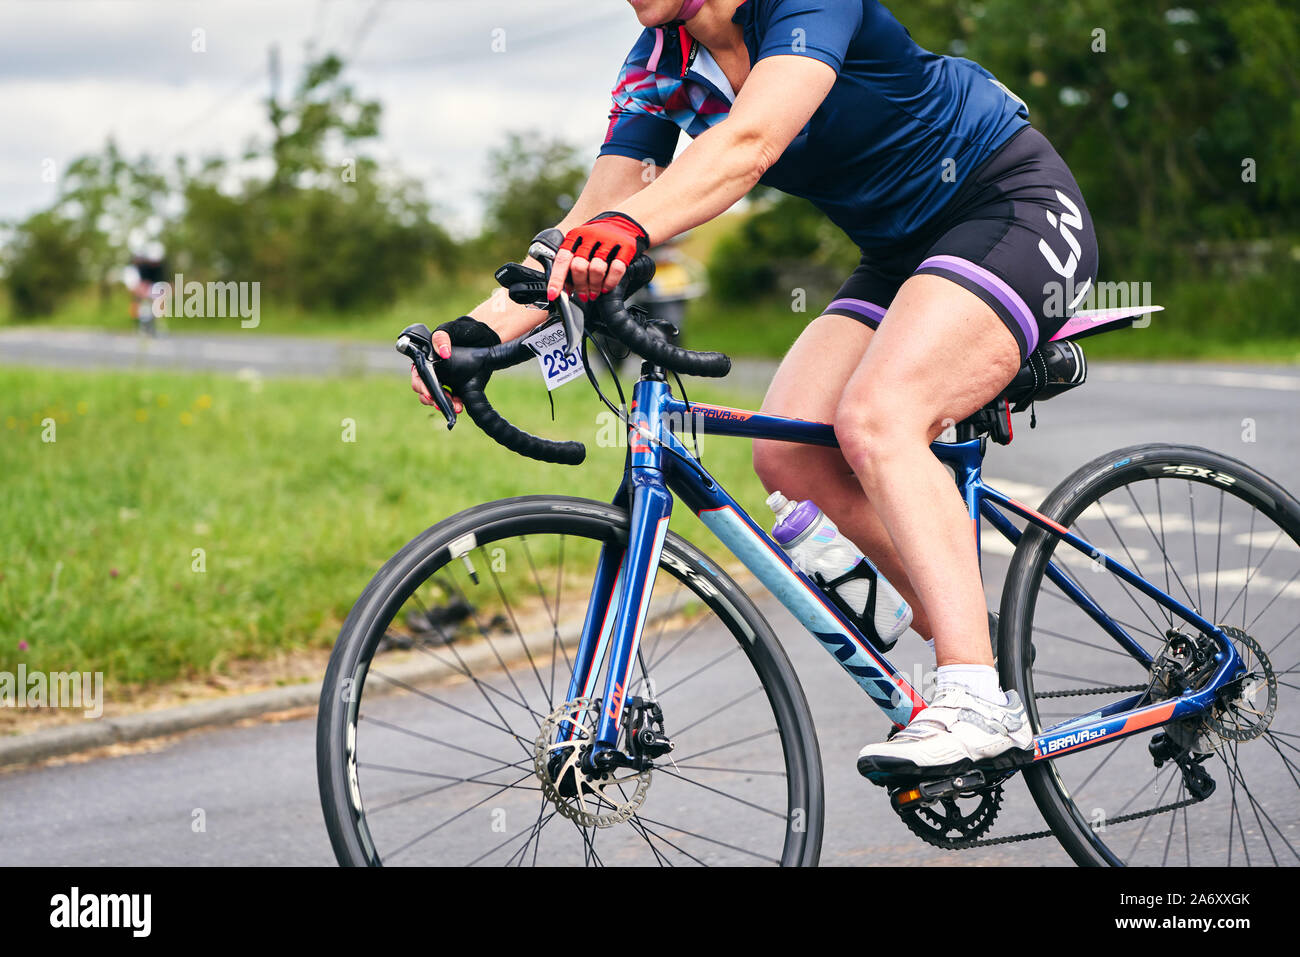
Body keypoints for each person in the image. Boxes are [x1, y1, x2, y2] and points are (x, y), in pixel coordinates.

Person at [414, 0, 1098, 778]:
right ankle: (975, 632)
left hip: (1010, 205)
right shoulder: (658, 61)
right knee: (787, 450)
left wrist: (631, 230)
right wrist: (472, 333)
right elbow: (589, 217)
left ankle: (976, 698)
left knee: (878, 416)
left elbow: (749, 144)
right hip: (900, 253)